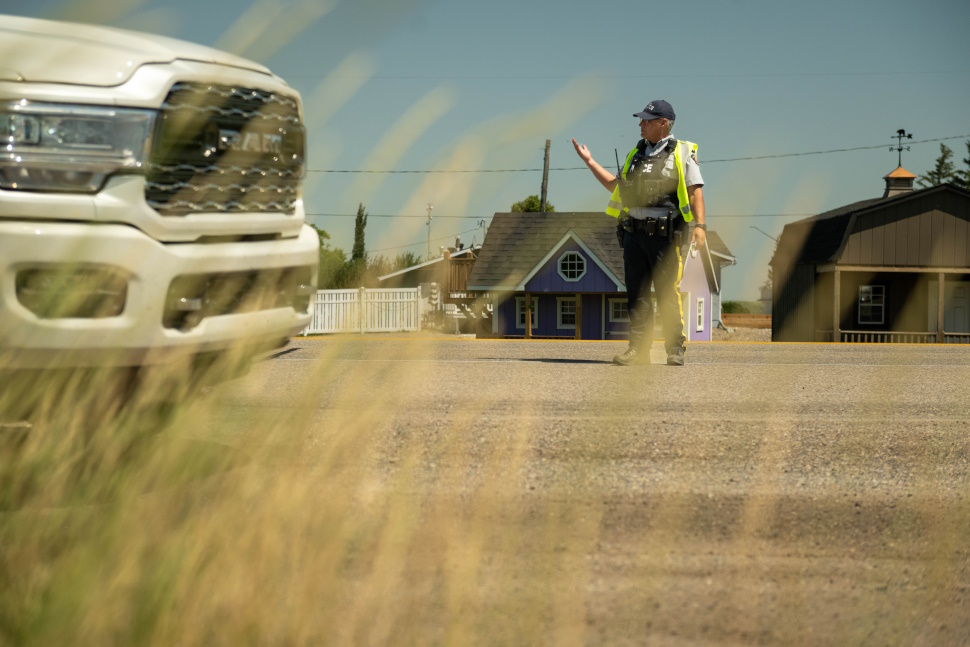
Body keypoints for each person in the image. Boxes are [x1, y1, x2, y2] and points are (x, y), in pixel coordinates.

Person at [572, 99, 706, 366]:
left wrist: (700, 227)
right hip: (634, 235)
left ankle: (675, 348)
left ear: (663, 123)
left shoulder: (682, 152)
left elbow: (695, 192)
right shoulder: (636, 154)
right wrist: (590, 162)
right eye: (641, 120)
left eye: (647, 120)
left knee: (667, 294)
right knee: (637, 295)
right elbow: (616, 187)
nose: (641, 124)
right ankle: (638, 350)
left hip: (665, 237)